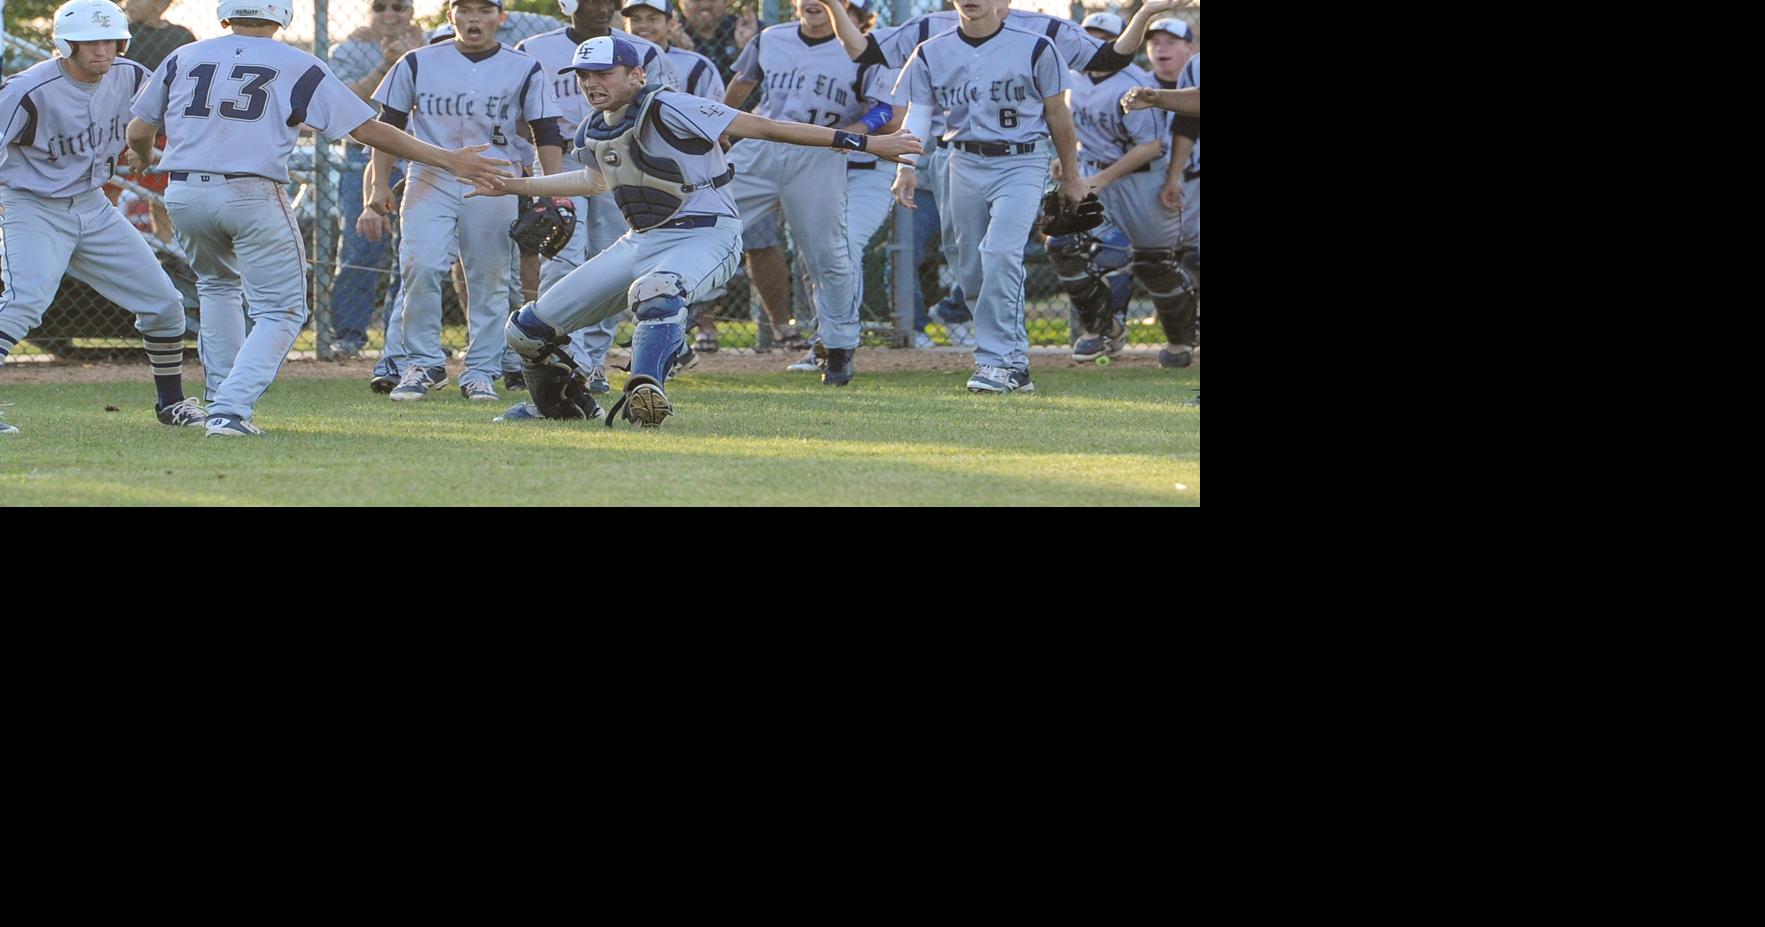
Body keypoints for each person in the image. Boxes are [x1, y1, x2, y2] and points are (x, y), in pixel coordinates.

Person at [486, 35, 919, 425]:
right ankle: (565, 410)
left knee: (656, 290)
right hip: (641, 240)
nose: (591, 84)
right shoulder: (594, 127)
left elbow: (768, 127)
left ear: (636, 75)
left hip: (706, 233)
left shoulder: (674, 106)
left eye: (603, 73)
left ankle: (645, 387)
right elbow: (594, 182)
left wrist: (866, 142)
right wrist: (514, 185)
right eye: (583, 76)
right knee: (527, 330)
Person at [125, 0, 510, 436]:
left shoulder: (184, 55)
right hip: (250, 190)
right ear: (280, 13)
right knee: (282, 310)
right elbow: (365, 129)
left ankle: (220, 396)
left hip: (185, 190)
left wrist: (141, 159)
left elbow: (139, 130)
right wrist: (446, 158)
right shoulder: (295, 61)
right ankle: (230, 410)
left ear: (225, 12)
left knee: (217, 288)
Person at [0, 0, 204, 436]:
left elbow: (167, 117)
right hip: (33, 206)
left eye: (110, 40)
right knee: (23, 302)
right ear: (65, 44)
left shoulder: (130, 75)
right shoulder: (26, 90)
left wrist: (143, 147)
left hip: (93, 207)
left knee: (165, 305)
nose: (102, 51)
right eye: (89, 42)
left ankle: (171, 404)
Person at [362, 0, 564, 404]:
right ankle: (421, 363)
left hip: (495, 179)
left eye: (485, 10)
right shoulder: (416, 61)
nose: (475, 18)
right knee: (420, 265)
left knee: (488, 280)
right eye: (465, 9)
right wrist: (378, 186)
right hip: (430, 176)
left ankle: (482, 371)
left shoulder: (523, 66)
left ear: (500, 18)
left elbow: (546, 131)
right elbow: (388, 127)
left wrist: (551, 189)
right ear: (449, 15)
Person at [885, 0, 1087, 394]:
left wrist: (1072, 175)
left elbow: (1058, 114)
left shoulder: (1036, 46)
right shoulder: (931, 50)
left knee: (1000, 252)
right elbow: (920, 112)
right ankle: (1012, 363)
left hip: (1023, 160)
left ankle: (997, 361)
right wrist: (905, 165)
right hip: (962, 161)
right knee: (970, 268)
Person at [722, 0, 897, 385]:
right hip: (763, 143)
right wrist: (718, 126)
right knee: (705, 221)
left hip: (821, 150)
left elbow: (887, 108)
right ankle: (672, 322)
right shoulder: (771, 38)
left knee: (828, 254)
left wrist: (859, 130)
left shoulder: (863, 50)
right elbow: (743, 83)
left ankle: (836, 348)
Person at [512, 0, 676, 395]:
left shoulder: (643, 50)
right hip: (559, 153)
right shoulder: (533, 48)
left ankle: (595, 360)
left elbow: (664, 109)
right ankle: (566, 355)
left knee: (615, 257)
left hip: (625, 157)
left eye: (609, 1)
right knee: (561, 256)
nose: (603, 8)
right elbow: (517, 113)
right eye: (592, 1)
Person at [1054, 12, 1185, 364]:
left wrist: (1098, 180)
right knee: (1068, 244)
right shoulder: (1072, 77)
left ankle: (1180, 341)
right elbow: (1072, 124)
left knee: (1153, 262)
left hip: (1140, 179)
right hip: (1089, 174)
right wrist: (1067, 161)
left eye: (1104, 38)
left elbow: (1151, 146)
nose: (1094, 45)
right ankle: (1101, 329)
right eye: (1089, 37)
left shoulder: (1132, 82)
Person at [621, 0, 728, 352]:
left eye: (652, 17)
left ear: (672, 22)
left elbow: (718, 125)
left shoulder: (696, 65)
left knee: (698, 248)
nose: (643, 25)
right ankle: (660, 338)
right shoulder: (612, 68)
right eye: (635, 19)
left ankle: (701, 328)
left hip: (688, 175)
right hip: (631, 173)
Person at [328, 0, 425, 359]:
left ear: (411, 12)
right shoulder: (350, 48)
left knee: (414, 250)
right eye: (381, 6)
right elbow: (345, 99)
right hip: (362, 156)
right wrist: (387, 64)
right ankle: (348, 336)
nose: (390, 14)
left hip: (417, 155)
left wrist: (414, 51)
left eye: (399, 7)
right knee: (360, 247)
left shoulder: (428, 45)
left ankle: (404, 336)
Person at [1122, 17, 1198, 367]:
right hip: (1165, 182)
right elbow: (1191, 115)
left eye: (1173, 40)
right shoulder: (1193, 69)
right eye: (1157, 41)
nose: (1162, 48)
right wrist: (1174, 176)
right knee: (1170, 260)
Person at [121, 0, 195, 248]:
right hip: (121, 125)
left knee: (160, 197)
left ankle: (166, 251)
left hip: (164, 127)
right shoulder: (123, 33)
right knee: (108, 188)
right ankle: (92, 243)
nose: (128, 3)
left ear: (160, 4)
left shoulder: (180, 36)